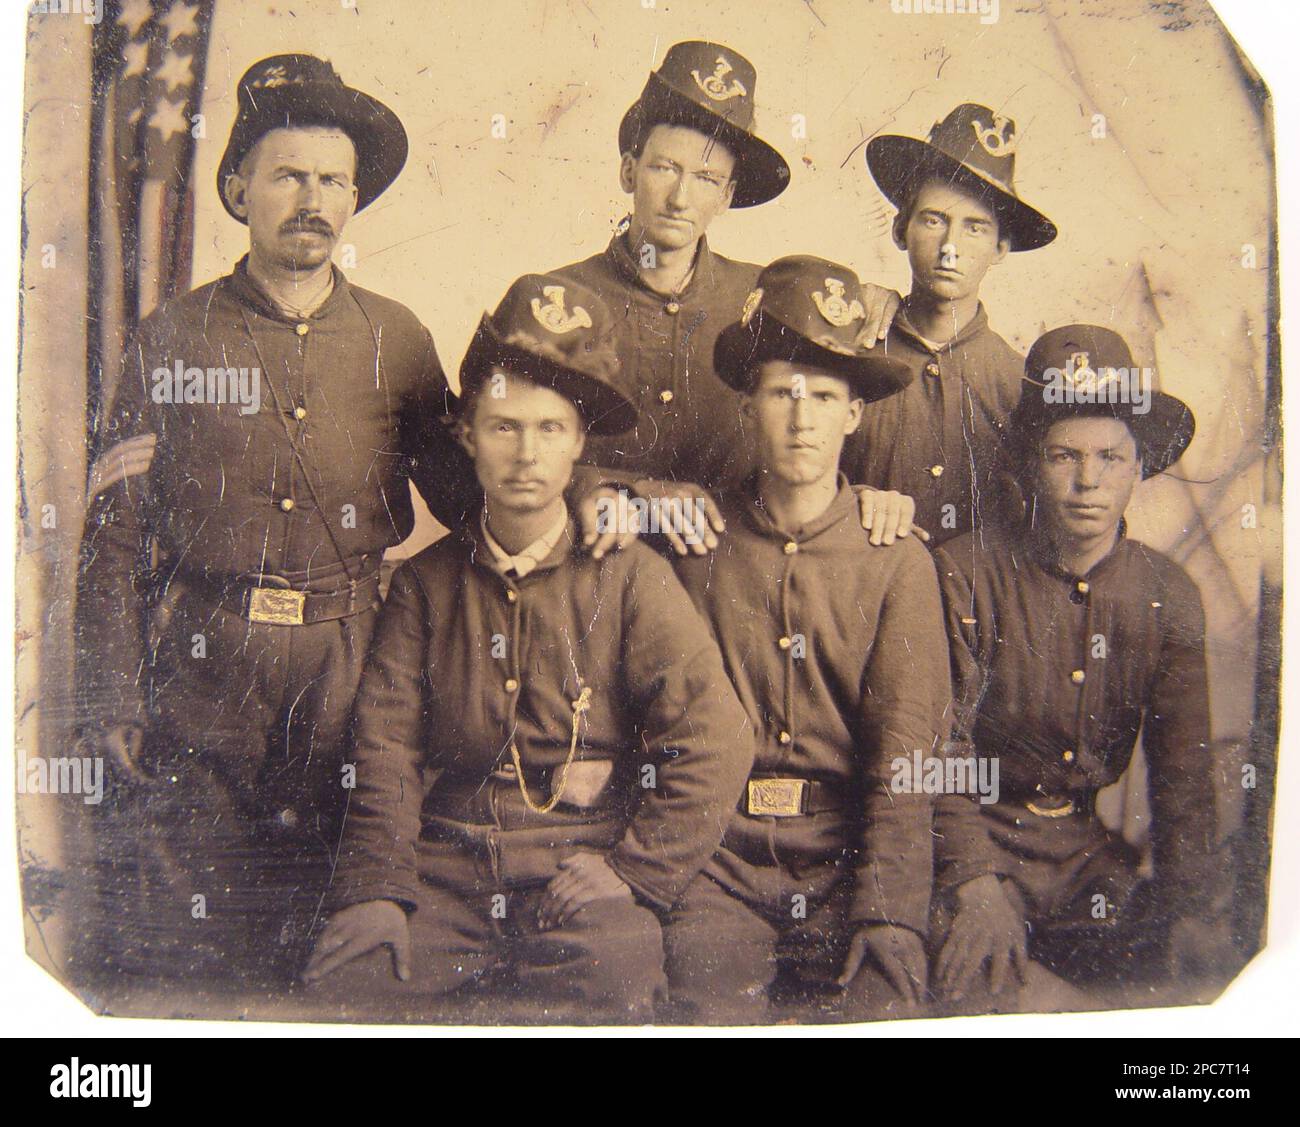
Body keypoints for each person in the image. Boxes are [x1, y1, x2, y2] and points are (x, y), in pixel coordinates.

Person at [74, 55, 622, 986]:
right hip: (206, 670)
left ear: (356, 198)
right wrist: (111, 694)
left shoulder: (395, 337)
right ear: (239, 187)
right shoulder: (173, 336)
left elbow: (474, 494)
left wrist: (591, 492)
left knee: (334, 933)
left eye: (333, 180)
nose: (313, 200)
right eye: (289, 176)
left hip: (349, 672)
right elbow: (117, 533)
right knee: (192, 947)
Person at [301, 273, 752, 1023]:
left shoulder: (629, 576)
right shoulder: (425, 585)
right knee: (349, 983)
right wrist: (379, 890)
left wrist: (635, 872)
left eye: (550, 429)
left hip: (577, 865)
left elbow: (717, 736)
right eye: (504, 426)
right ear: (467, 435)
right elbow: (384, 747)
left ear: (580, 445)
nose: (526, 454)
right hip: (445, 867)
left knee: (619, 975)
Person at [659, 256, 951, 1023]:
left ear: (855, 414)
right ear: (748, 404)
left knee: (888, 1007)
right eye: (782, 392)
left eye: (824, 396)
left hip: (845, 864)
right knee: (701, 1006)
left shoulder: (896, 558)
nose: (802, 417)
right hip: (717, 862)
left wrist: (888, 911)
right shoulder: (697, 543)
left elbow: (907, 752)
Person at [930, 324, 1234, 1008]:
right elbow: (935, 752)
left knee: (1178, 979)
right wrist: (975, 883)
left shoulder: (1167, 593)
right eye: (1065, 455)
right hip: (974, 846)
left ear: (1138, 467)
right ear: (1031, 463)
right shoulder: (964, 572)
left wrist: (1191, 907)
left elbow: (1183, 777)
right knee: (979, 980)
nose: (1088, 481)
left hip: (1085, 856)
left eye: (1110, 457)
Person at [552, 41, 917, 553]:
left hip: (737, 579)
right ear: (629, 171)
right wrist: (621, 489)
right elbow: (499, 457)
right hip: (598, 575)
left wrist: (873, 497)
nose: (681, 198)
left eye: (705, 178)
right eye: (664, 168)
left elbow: (825, 435)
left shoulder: (771, 300)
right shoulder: (559, 301)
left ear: (726, 197)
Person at [842, 103, 1059, 543]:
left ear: (1001, 248)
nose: (950, 248)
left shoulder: (1019, 384)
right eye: (934, 220)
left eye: (975, 228)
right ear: (901, 229)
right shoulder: (850, 346)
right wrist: (851, 499)